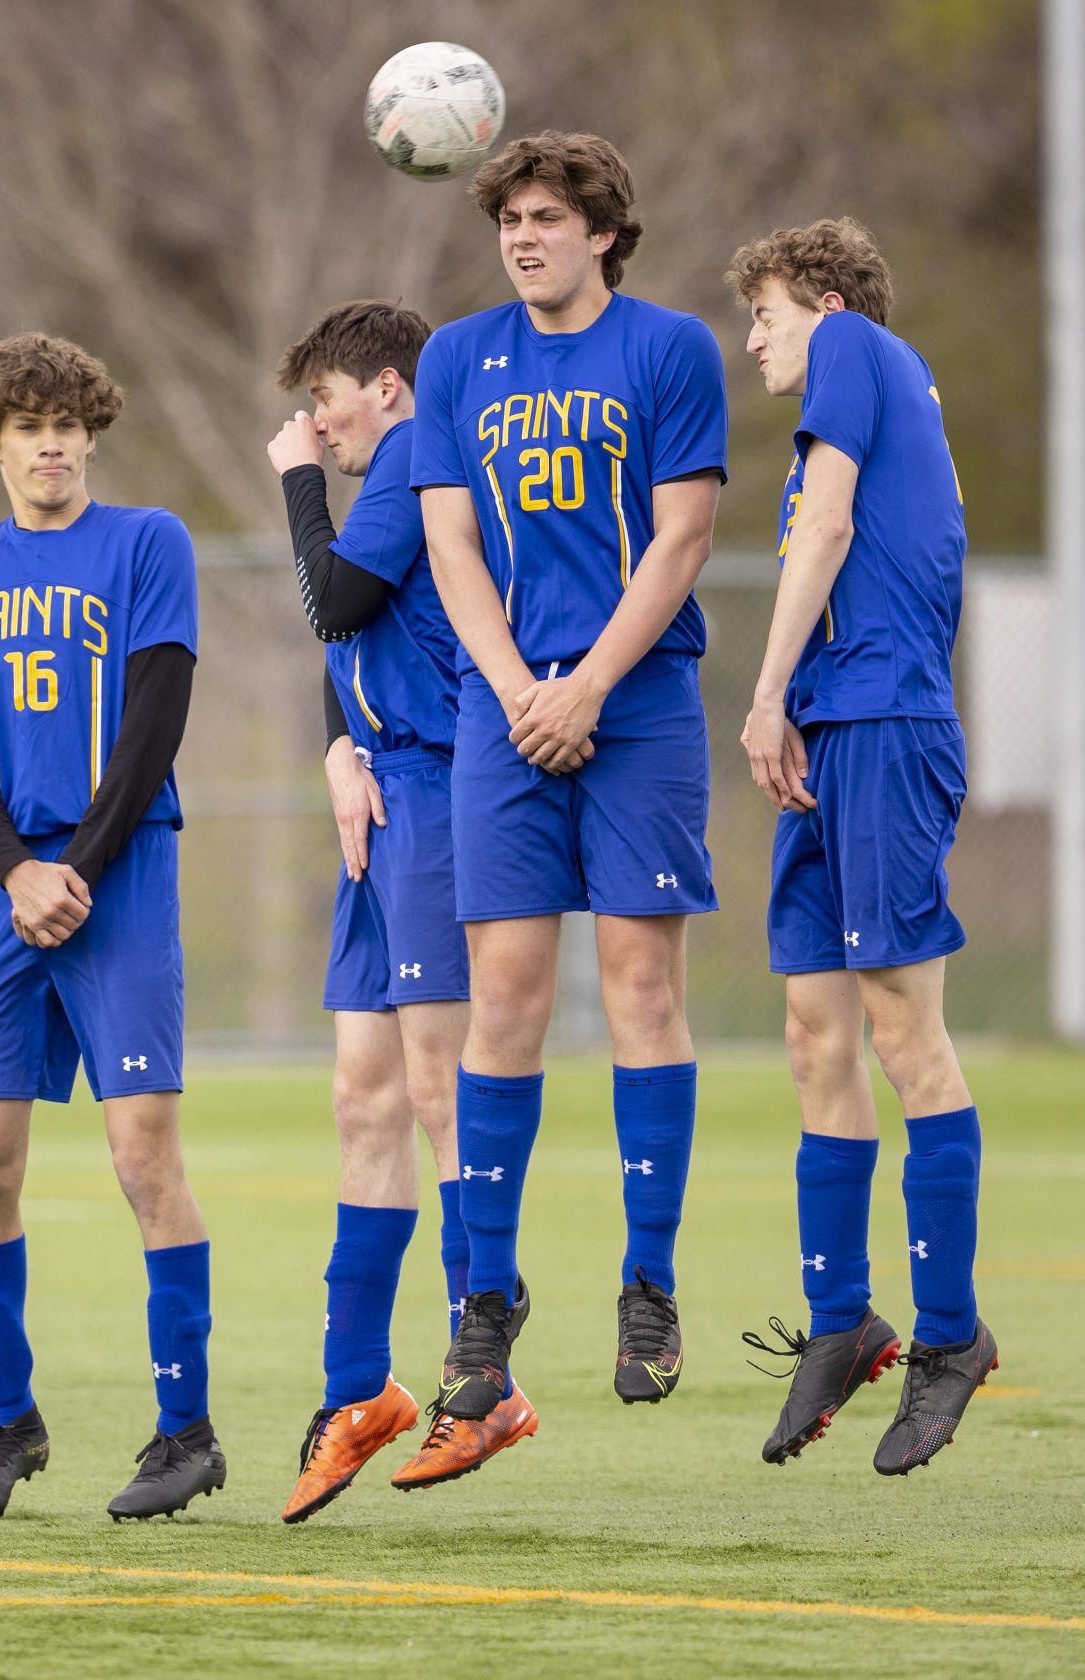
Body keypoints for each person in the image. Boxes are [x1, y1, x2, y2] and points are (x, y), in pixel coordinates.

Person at [401, 132, 728, 1484]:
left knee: (643, 991)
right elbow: (448, 539)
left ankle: (647, 1285)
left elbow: (685, 535)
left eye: (550, 217)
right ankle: (487, 1301)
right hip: (505, 710)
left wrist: (588, 683)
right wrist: (518, 688)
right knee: (508, 1002)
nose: (525, 236)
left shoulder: (670, 350)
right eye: (511, 219)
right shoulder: (454, 359)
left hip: (637, 707)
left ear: (605, 231)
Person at [0, 332, 212, 1522]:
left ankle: (185, 1431)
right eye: (26, 425)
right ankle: (10, 1422)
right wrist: (12, 868)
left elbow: (155, 720)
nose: (50, 442)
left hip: (117, 879)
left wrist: (70, 869)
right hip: (1, 889)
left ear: (91, 430)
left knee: (142, 1158)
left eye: (66, 421)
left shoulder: (148, 541)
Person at [725, 218, 994, 1475]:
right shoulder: (861, 375)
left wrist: (766, 688)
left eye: (765, 311)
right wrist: (796, 703)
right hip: (835, 730)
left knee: (899, 1026)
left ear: (823, 299)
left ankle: (950, 1336)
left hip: (881, 720)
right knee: (812, 1030)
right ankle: (843, 1324)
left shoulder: (853, 342)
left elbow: (825, 526)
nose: (755, 335)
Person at [262, 301, 476, 1519]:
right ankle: (361, 1390)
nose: (311, 424)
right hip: (382, 793)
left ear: (388, 387)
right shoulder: (384, 464)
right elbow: (345, 641)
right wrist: (337, 746)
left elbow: (333, 596)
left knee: (440, 1090)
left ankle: (474, 1376)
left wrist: (300, 484)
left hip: (443, 794)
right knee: (363, 1091)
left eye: (326, 398)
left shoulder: (410, 453)